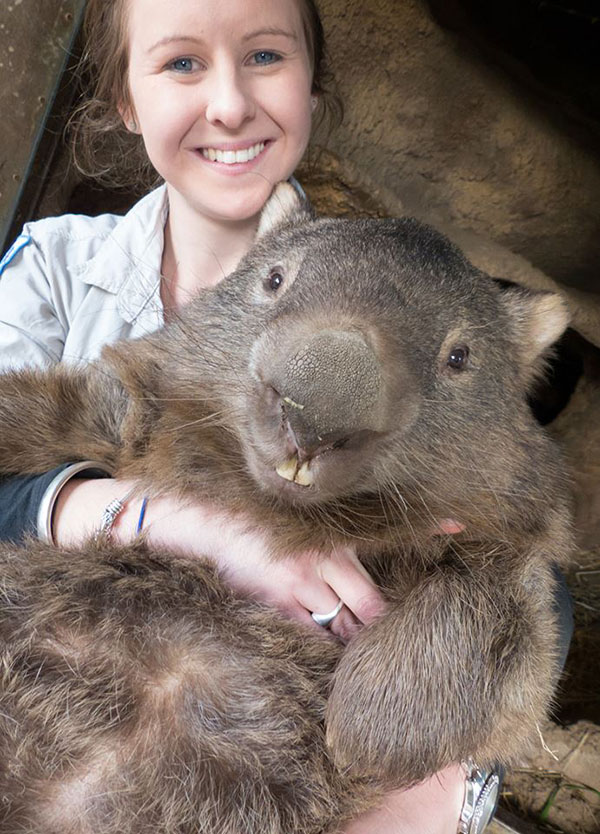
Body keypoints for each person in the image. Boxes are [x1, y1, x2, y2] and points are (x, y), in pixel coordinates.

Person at [0, 0, 570, 831]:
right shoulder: (55, 272)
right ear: (125, 96)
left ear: (313, 82)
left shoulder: (470, 451)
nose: (228, 103)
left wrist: (451, 699)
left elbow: (518, 574)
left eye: (265, 55)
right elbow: (58, 414)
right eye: (181, 63)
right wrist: (151, 516)